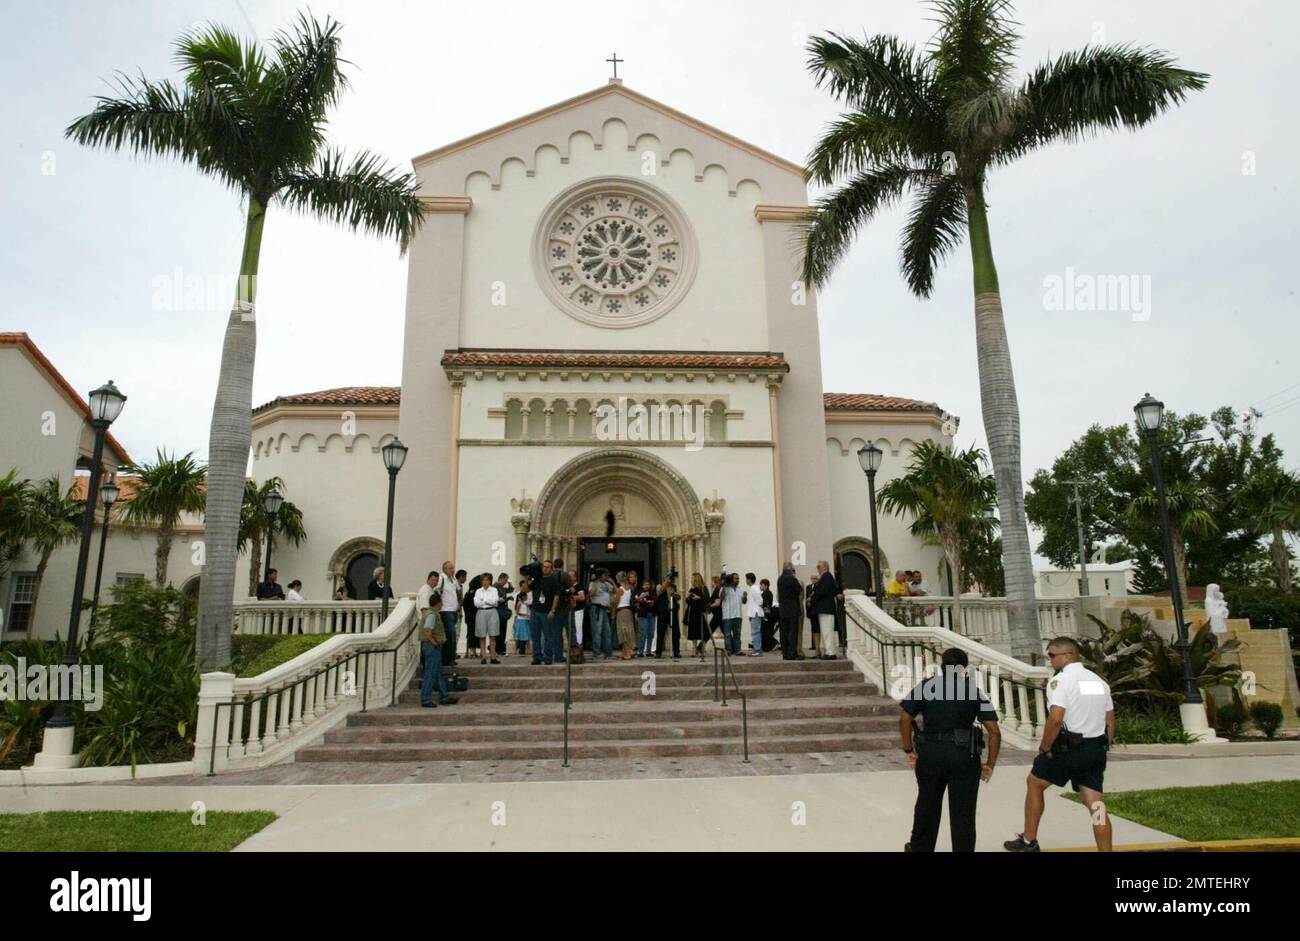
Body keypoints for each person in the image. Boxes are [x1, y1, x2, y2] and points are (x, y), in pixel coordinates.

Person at [1005, 637, 1116, 853]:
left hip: (1068, 749)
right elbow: (1110, 720)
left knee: (1034, 783)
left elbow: (1056, 718)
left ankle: (1029, 841)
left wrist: (1045, 747)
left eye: (1052, 655)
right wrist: (1103, 747)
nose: (1050, 660)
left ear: (1067, 656)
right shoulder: (1098, 682)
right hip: (1095, 749)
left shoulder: (1061, 681)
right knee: (1096, 805)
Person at [900, 648, 1000, 851]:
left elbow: (904, 718)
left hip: (931, 754)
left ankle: (920, 847)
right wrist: (989, 764)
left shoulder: (927, 686)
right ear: (964, 669)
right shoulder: (973, 691)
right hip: (964, 756)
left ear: (942, 666)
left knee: (927, 806)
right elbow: (994, 732)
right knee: (964, 813)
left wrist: (909, 750)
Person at [419, 572, 458, 709]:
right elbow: (427, 630)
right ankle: (426, 699)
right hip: (431, 646)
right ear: (438, 603)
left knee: (437, 673)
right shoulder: (432, 615)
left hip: (432, 646)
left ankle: (443, 696)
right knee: (430, 674)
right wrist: (433, 642)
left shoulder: (433, 613)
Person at [809, 561, 842, 659]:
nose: (817, 569)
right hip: (825, 609)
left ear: (824, 567)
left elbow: (822, 591)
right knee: (825, 631)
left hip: (826, 608)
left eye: (818, 567)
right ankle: (828, 651)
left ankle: (830, 653)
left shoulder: (826, 576)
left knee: (827, 631)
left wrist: (812, 597)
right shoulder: (826, 577)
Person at [587, 569, 616, 661]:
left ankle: (608, 652)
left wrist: (612, 582)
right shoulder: (593, 584)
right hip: (596, 608)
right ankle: (597, 653)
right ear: (599, 575)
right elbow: (591, 594)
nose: (606, 577)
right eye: (605, 575)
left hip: (605, 609)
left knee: (607, 632)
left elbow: (616, 591)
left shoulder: (607, 584)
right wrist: (595, 581)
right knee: (597, 631)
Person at [472, 573, 501, 665]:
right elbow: (476, 603)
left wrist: (483, 600)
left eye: (487, 580)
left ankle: (493, 657)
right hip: (481, 612)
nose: (485, 582)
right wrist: (488, 601)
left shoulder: (494, 590)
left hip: (492, 611)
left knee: (493, 635)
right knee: (482, 635)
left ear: (490, 581)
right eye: (483, 580)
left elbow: (495, 602)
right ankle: (484, 657)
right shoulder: (478, 591)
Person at [776, 563, 803, 661]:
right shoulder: (792, 579)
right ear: (790, 570)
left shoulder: (780, 579)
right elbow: (799, 590)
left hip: (783, 609)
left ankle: (785, 654)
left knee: (784, 632)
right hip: (792, 609)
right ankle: (792, 654)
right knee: (792, 632)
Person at [436, 561, 461, 666]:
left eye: (453, 568)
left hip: (453, 610)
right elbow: (435, 590)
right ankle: (449, 659)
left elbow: (458, 591)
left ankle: (449, 657)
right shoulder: (441, 578)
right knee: (450, 635)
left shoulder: (453, 579)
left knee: (451, 635)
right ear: (444, 569)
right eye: (450, 568)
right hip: (445, 610)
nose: (453, 570)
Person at [654, 576, 681, 659]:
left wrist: (675, 595)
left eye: (669, 579)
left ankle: (676, 651)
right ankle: (658, 652)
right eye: (667, 579)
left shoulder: (673, 587)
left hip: (673, 611)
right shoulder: (659, 586)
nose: (669, 580)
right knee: (661, 632)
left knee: (676, 632)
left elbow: (678, 597)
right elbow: (659, 593)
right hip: (663, 612)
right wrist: (665, 584)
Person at [716, 572, 742, 656]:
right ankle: (728, 650)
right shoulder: (725, 588)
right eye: (736, 578)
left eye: (738, 578)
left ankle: (737, 650)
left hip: (738, 615)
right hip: (728, 615)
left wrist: (745, 596)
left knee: (737, 634)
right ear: (731, 579)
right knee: (727, 634)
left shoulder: (739, 589)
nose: (737, 580)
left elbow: (744, 601)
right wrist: (724, 585)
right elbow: (721, 597)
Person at [685, 573, 709, 659]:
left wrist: (699, 598)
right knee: (693, 631)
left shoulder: (704, 588)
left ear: (696, 579)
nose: (691, 580)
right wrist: (688, 597)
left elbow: (707, 599)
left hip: (700, 612)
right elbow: (688, 602)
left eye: (692, 578)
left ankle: (703, 649)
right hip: (693, 612)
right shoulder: (692, 589)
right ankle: (694, 649)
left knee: (703, 631)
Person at [614, 572, 637, 660]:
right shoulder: (630, 588)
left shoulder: (620, 589)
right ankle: (625, 652)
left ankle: (627, 653)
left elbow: (616, 602)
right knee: (628, 631)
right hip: (629, 611)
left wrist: (613, 611)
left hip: (622, 611)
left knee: (623, 632)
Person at [635, 578, 657, 657]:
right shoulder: (639, 592)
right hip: (643, 615)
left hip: (652, 614)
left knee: (651, 633)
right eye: (645, 584)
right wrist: (646, 601)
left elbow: (655, 601)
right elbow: (638, 601)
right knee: (643, 633)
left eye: (648, 584)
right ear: (642, 585)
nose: (647, 586)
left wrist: (650, 602)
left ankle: (648, 651)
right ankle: (640, 651)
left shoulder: (653, 593)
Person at [743, 572, 763, 656]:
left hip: (755, 613)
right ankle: (756, 649)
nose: (746, 581)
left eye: (746, 579)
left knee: (756, 632)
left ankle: (757, 650)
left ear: (749, 579)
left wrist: (755, 610)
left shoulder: (754, 588)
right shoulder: (753, 588)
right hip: (754, 613)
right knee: (755, 632)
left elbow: (760, 600)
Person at [569, 570, 587, 663]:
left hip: (578, 611)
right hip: (571, 611)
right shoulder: (569, 587)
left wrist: (572, 597)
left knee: (578, 630)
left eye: (571, 576)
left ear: (575, 577)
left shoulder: (578, 586)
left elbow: (582, 597)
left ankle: (578, 651)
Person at [494, 572, 513, 657]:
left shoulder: (502, 587)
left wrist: (510, 583)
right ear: (501, 579)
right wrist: (504, 599)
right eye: (505, 580)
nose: (506, 582)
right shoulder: (495, 587)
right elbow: (497, 599)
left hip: (503, 611)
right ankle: (498, 648)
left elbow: (510, 590)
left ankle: (501, 648)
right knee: (499, 631)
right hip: (498, 611)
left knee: (503, 630)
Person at [513, 578, 532, 657]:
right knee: (518, 635)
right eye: (523, 586)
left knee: (527, 634)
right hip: (520, 619)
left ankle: (528, 649)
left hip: (527, 619)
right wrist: (525, 615)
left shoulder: (529, 595)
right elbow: (516, 610)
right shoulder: (517, 597)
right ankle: (516, 649)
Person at [804, 574, 819, 657]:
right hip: (810, 610)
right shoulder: (808, 587)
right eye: (812, 578)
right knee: (813, 628)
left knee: (816, 629)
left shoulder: (818, 586)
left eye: (815, 578)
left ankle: (816, 646)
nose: (813, 580)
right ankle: (813, 645)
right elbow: (806, 597)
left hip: (816, 609)